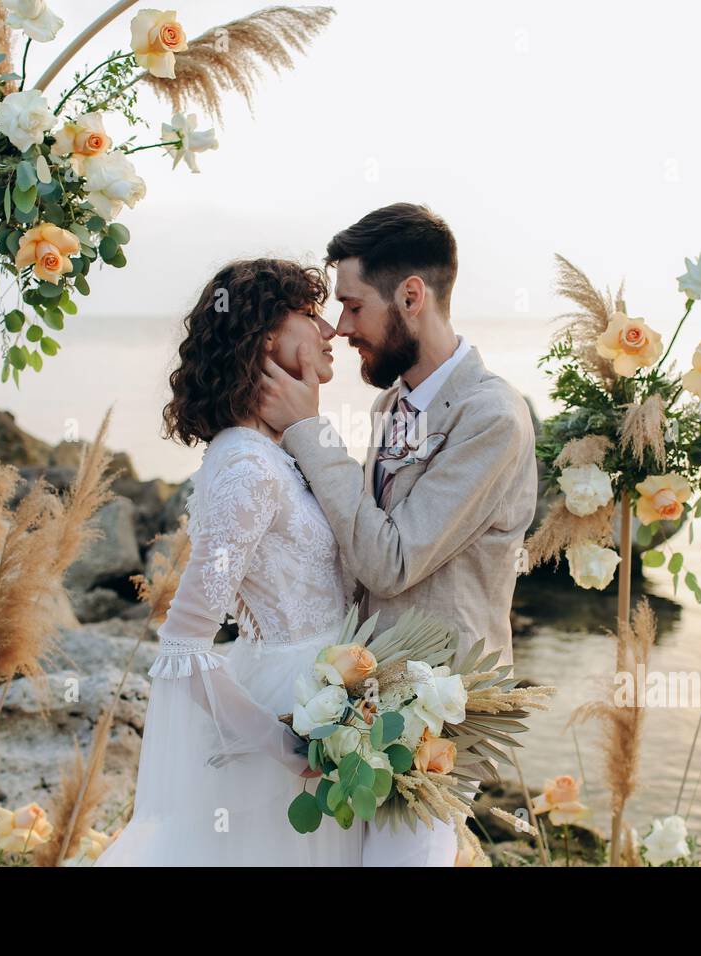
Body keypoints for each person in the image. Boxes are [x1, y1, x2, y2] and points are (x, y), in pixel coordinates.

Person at [258, 203, 538, 866]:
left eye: (353, 306)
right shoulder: (393, 403)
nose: (341, 327)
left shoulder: (491, 416)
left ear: (411, 295)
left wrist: (308, 433)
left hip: (436, 716)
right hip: (365, 702)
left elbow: (392, 560)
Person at [96, 258, 361, 866]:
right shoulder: (246, 465)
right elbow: (184, 646)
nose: (330, 332)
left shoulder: (275, 453)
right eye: (309, 315)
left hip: (326, 690)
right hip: (291, 712)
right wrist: (289, 744)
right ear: (267, 334)